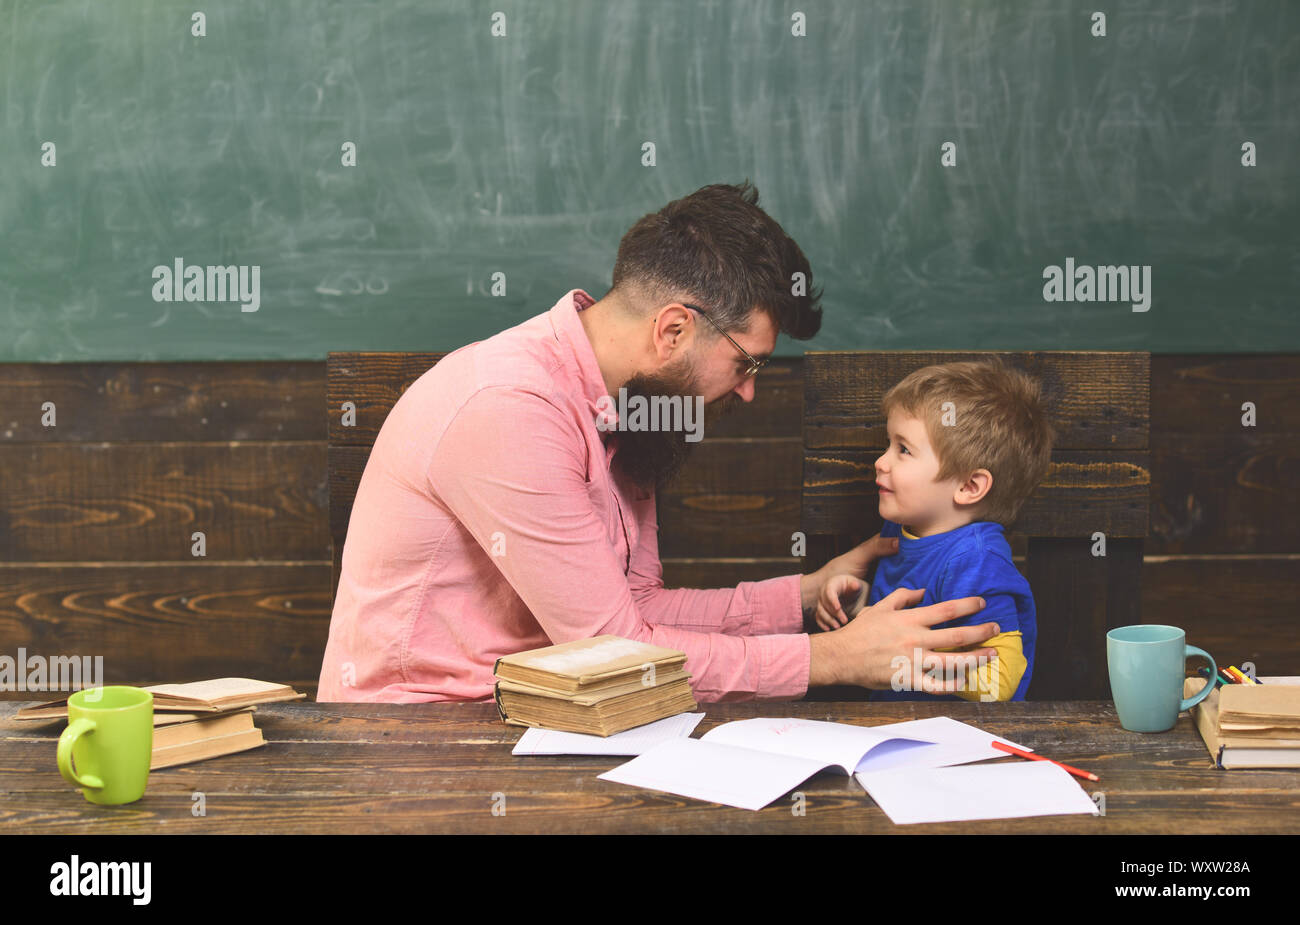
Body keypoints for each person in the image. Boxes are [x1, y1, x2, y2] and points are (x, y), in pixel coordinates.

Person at [317, 181, 1000, 704]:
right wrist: (835, 659)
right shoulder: (509, 410)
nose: (750, 389)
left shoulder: (637, 410)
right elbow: (617, 651)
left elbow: (631, 610)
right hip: (412, 743)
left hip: (537, 724)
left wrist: (799, 595)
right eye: (749, 362)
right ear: (673, 330)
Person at [816, 359, 1055, 701]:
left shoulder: (975, 561)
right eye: (888, 444)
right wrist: (858, 608)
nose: (881, 462)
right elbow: (905, 621)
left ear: (970, 486)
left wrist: (902, 659)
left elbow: (1000, 681)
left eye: (903, 450)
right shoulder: (903, 531)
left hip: (955, 745)